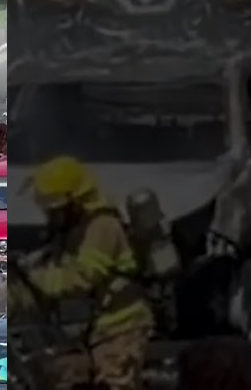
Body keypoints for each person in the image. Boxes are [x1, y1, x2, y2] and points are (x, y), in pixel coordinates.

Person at [17, 156, 153, 390]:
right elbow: (56, 261)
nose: (50, 217)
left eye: (55, 210)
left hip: (122, 325)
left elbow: (82, 278)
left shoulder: (103, 226)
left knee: (114, 383)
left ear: (74, 203)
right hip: (98, 328)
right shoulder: (77, 230)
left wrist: (33, 276)